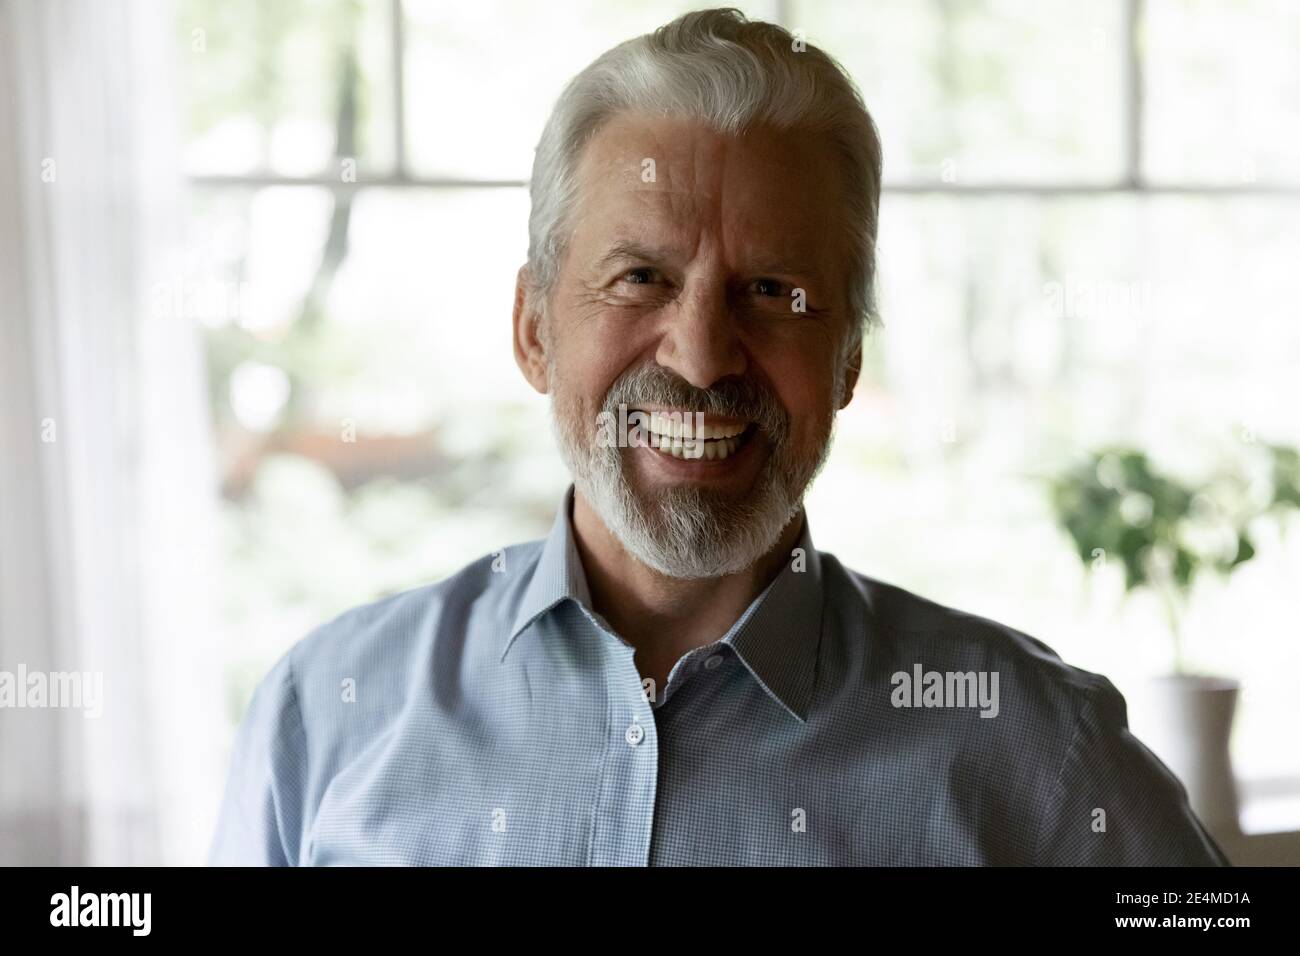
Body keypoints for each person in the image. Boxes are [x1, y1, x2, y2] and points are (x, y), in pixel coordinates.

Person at [209, 8, 1227, 866]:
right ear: (532, 328)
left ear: (846, 361)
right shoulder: (326, 716)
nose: (701, 357)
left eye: (775, 292)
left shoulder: (1037, 751)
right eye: (640, 276)